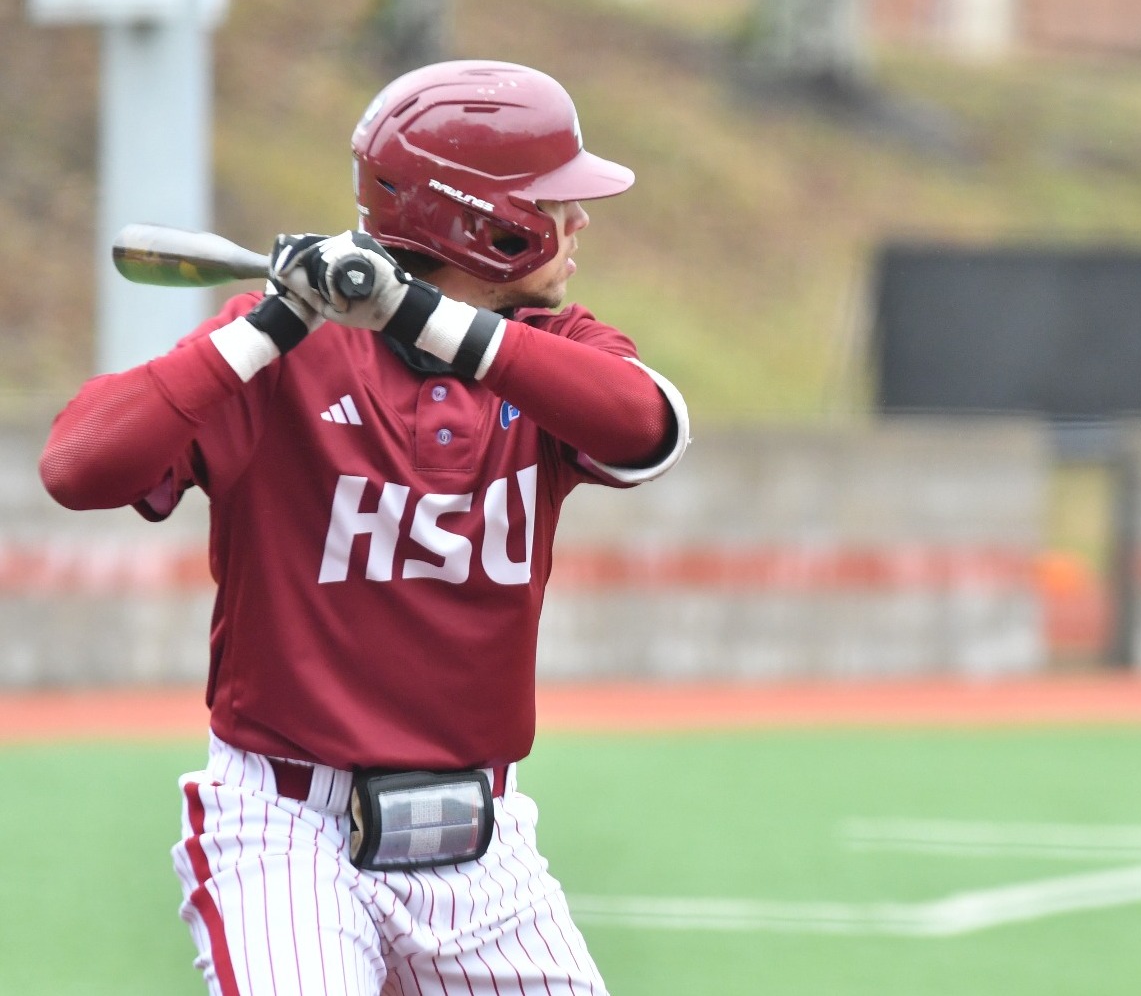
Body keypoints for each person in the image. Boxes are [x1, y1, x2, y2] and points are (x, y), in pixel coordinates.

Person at [40, 60, 689, 994]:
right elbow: (76, 467)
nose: (578, 220)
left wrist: (410, 312)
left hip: (482, 845)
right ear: (486, 223)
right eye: (552, 200)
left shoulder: (557, 349)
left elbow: (647, 430)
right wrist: (272, 321)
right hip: (286, 832)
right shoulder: (275, 355)